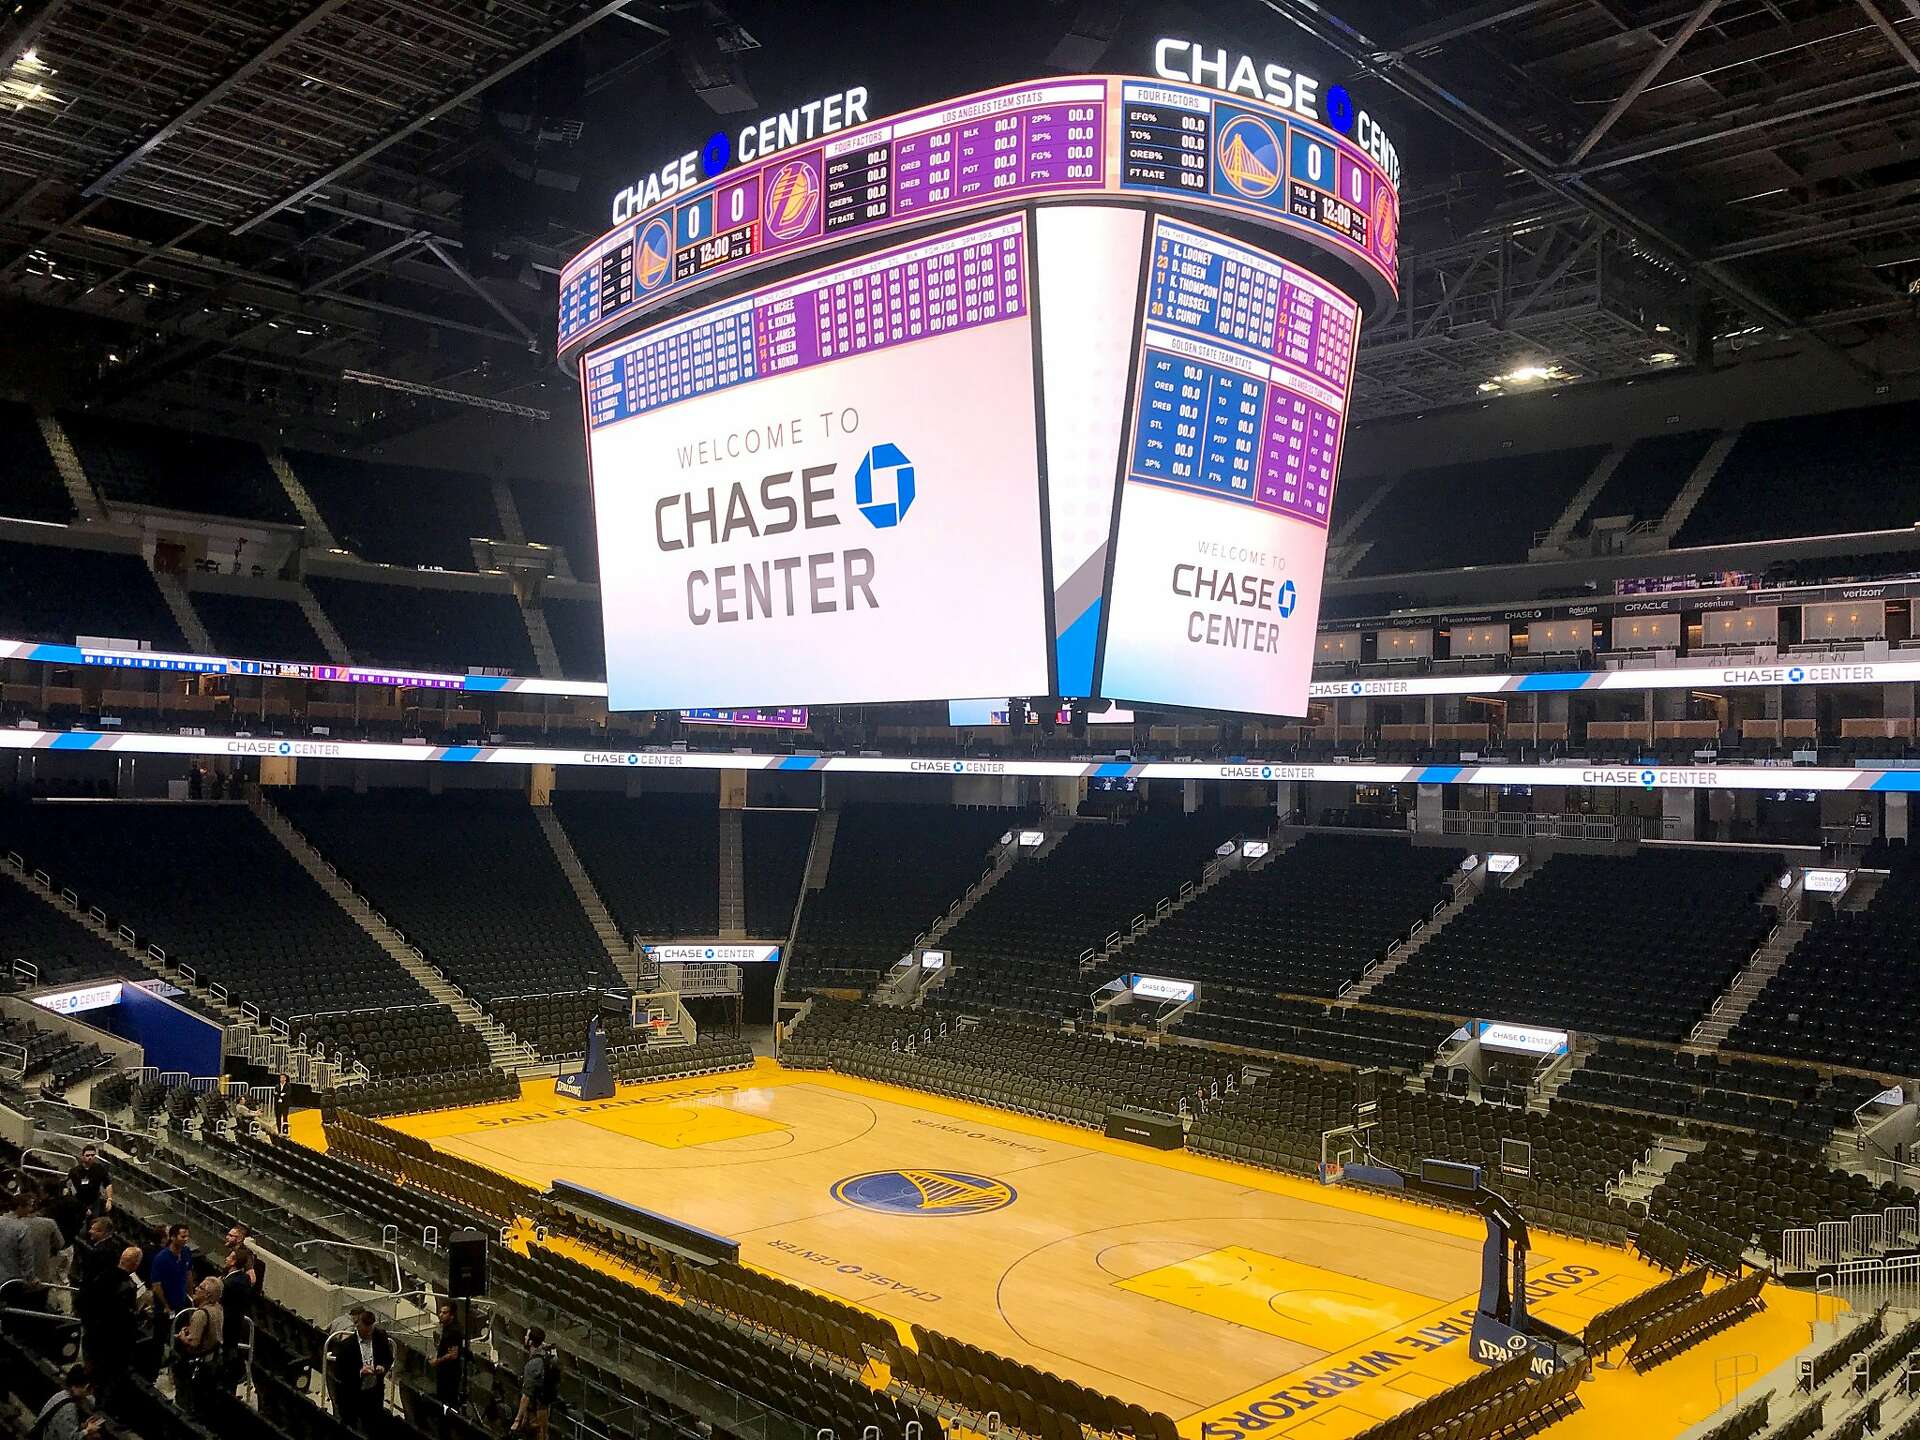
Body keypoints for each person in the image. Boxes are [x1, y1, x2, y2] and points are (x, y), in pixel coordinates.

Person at [78, 1245, 149, 1408]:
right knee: (106, 1379)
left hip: (92, 1335)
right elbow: (124, 1319)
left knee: (93, 1374)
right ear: (136, 1264)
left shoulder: (102, 1275)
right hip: (111, 1343)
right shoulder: (128, 1286)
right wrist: (138, 1315)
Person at [326, 1307, 393, 1435]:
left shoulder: (380, 1337)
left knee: (372, 1428)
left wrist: (383, 1367)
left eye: (370, 1329)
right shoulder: (346, 1345)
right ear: (358, 1325)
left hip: (374, 1392)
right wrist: (360, 1372)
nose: (368, 1332)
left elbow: (388, 1358)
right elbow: (340, 1371)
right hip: (352, 1393)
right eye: (365, 1329)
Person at [171, 1276, 224, 1413]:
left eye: (199, 1287)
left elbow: (193, 1343)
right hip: (212, 1361)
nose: (195, 1288)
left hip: (195, 1365)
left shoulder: (200, 1314)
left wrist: (182, 1335)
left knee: (185, 1402)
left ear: (207, 1294)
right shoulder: (218, 1309)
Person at [511, 1327, 560, 1438]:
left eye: (527, 1336)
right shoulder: (545, 1356)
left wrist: (517, 1420)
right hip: (544, 1408)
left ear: (531, 1342)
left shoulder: (533, 1365)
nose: (524, 1337)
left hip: (535, 1410)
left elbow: (526, 1396)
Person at [29, 1365, 102, 1440]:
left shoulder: (62, 1394)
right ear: (87, 1386)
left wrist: (82, 1427)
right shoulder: (69, 1408)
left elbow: (61, 1426)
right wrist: (87, 1431)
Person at [149, 1223, 192, 1317]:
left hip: (182, 1302)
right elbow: (156, 1285)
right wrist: (166, 1305)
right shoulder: (161, 1258)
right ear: (173, 1237)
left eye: (187, 1236)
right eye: (183, 1236)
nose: (186, 1239)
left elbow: (188, 1274)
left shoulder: (186, 1252)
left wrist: (191, 1296)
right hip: (165, 1306)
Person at [430, 1300, 466, 1410]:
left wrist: (437, 1361)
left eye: (445, 1313)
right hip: (443, 1370)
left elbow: (454, 1354)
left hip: (451, 1373)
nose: (440, 1315)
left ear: (452, 1316)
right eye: (440, 1312)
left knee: (449, 1402)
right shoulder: (446, 1327)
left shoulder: (454, 1331)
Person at [66, 1147, 111, 1220]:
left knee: (94, 1222)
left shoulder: (99, 1169)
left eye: (92, 1155)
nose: (90, 1157)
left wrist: (109, 1199)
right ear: (82, 1156)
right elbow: (70, 1189)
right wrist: (84, 1208)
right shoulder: (75, 1171)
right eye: (87, 1155)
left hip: (94, 1201)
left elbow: (108, 1184)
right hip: (79, 1202)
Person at [223, 1224, 265, 1295]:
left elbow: (252, 1279)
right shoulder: (233, 1251)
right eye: (228, 1234)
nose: (227, 1237)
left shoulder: (246, 1254)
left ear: (239, 1239)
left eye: (230, 1236)